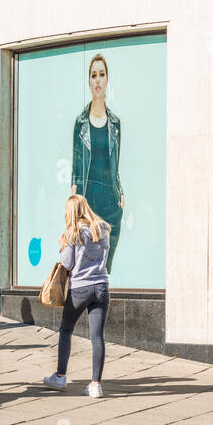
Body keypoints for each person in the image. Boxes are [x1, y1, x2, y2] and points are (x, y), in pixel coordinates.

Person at [43, 194, 110, 398]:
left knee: (66, 330)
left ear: (71, 211)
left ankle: (60, 376)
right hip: (101, 286)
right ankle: (95, 384)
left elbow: (67, 263)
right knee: (97, 337)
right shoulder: (102, 229)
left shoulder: (73, 233)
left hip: (80, 287)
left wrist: (62, 244)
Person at [71, 54, 124, 274]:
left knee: (105, 268)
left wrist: (120, 194)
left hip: (110, 201)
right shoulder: (80, 123)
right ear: (89, 82)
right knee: (85, 263)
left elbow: (116, 164)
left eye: (102, 74)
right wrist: (74, 201)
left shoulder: (115, 124)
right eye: (94, 75)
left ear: (107, 80)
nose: (98, 80)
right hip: (88, 199)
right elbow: (76, 168)